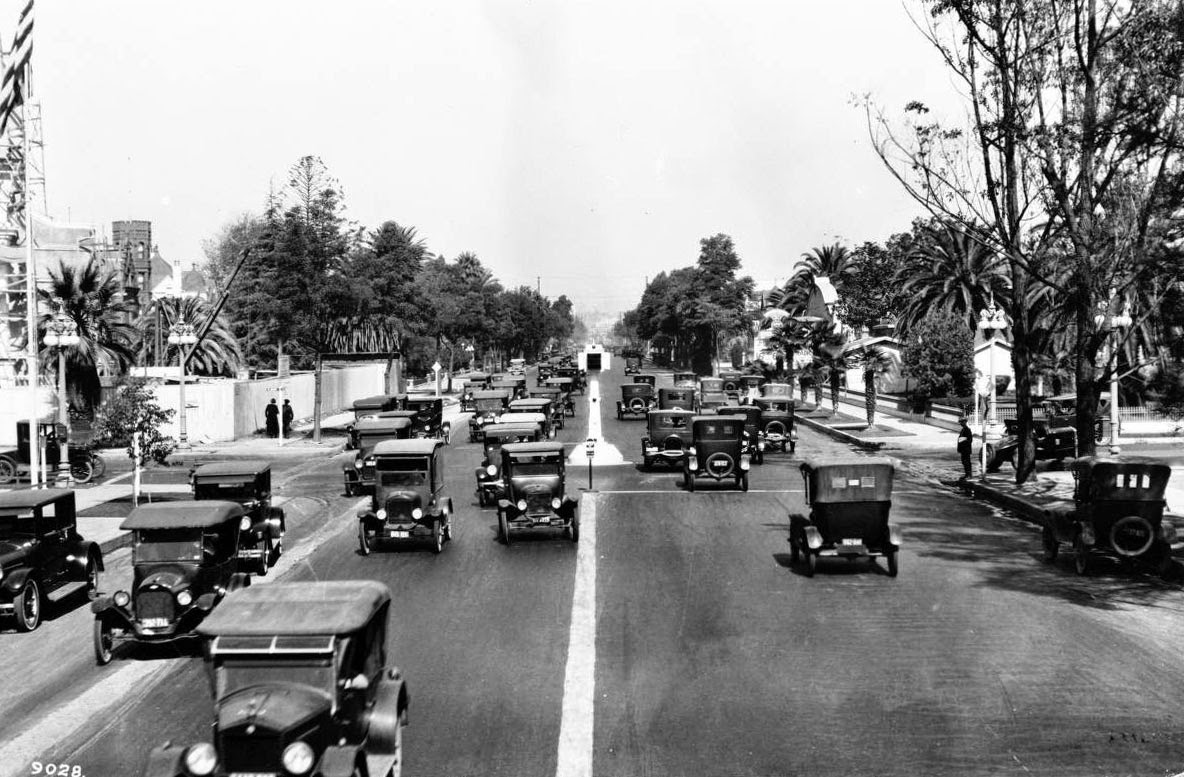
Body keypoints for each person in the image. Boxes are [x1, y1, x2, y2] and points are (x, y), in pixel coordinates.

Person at [957, 415, 974, 479]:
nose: (961, 423)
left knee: (966, 462)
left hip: (966, 449)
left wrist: (963, 441)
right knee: (964, 461)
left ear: (965, 422)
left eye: (962, 422)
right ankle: (967, 474)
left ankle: (969, 475)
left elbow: (970, 440)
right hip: (963, 449)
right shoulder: (963, 430)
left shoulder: (967, 430)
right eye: (960, 422)